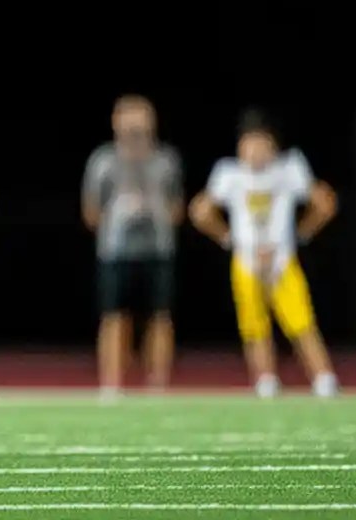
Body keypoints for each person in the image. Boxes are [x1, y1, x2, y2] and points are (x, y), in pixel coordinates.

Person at [189, 109, 339, 398]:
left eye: (261, 144)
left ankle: (324, 378)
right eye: (249, 144)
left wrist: (302, 233)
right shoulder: (229, 174)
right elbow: (199, 211)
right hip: (246, 260)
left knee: (301, 320)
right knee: (253, 325)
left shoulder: (289, 169)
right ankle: (265, 379)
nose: (255, 151)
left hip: (281, 260)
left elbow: (325, 203)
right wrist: (227, 238)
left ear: (273, 146)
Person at [82, 95, 184, 396]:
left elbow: (177, 206)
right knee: (114, 316)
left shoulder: (166, 160)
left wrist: (155, 216)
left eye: (141, 120)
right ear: (116, 123)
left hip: (158, 250)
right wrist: (118, 221)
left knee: (160, 317)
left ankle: (158, 384)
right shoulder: (102, 161)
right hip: (115, 252)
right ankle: (111, 385)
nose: (135, 127)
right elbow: (90, 211)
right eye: (128, 120)